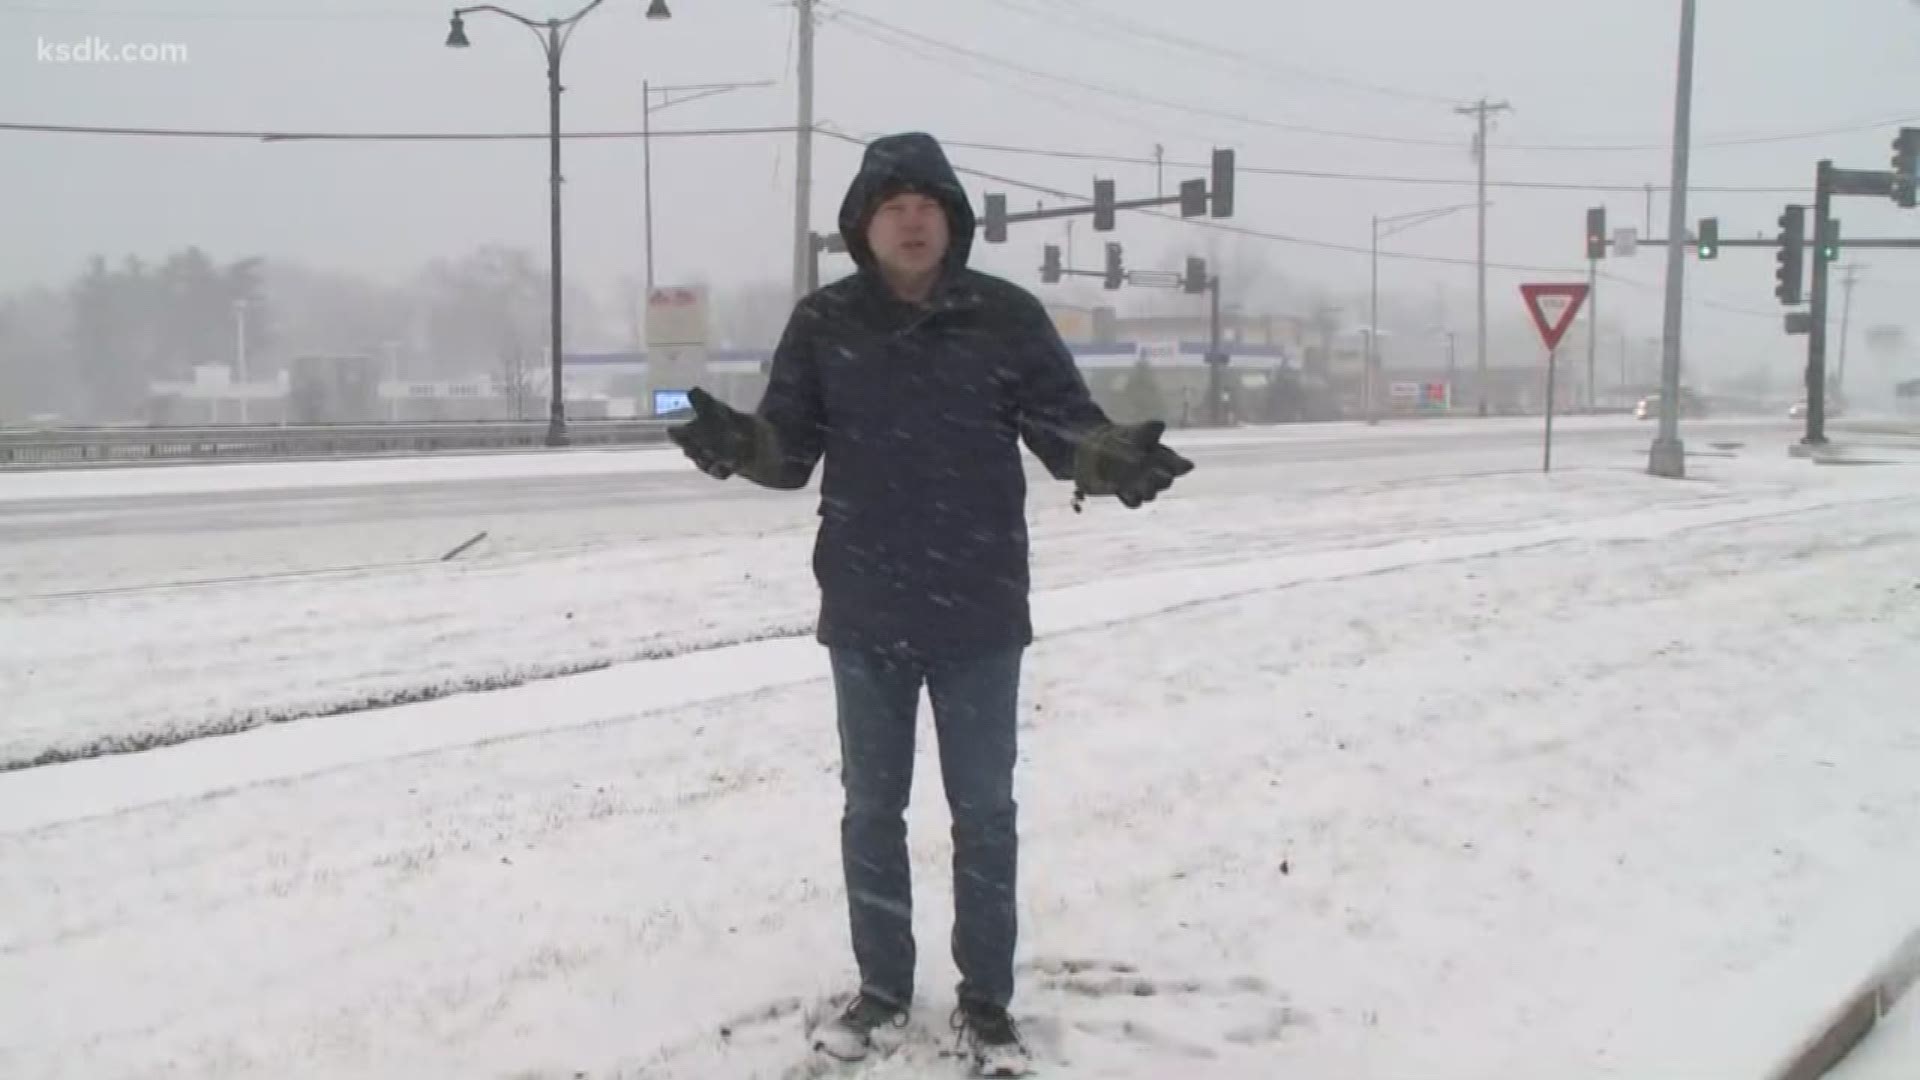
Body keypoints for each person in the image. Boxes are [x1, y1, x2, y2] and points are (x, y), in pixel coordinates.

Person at [665, 131, 1193, 1077]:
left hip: (979, 608)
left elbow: (1064, 432)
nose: (912, 219)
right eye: (892, 205)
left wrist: (1112, 459)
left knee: (984, 810)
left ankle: (987, 1004)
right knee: (872, 808)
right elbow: (790, 451)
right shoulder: (825, 323)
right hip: (865, 604)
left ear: (952, 222)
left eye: (928, 204)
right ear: (863, 227)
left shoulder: (1006, 319)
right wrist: (739, 444)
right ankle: (882, 992)